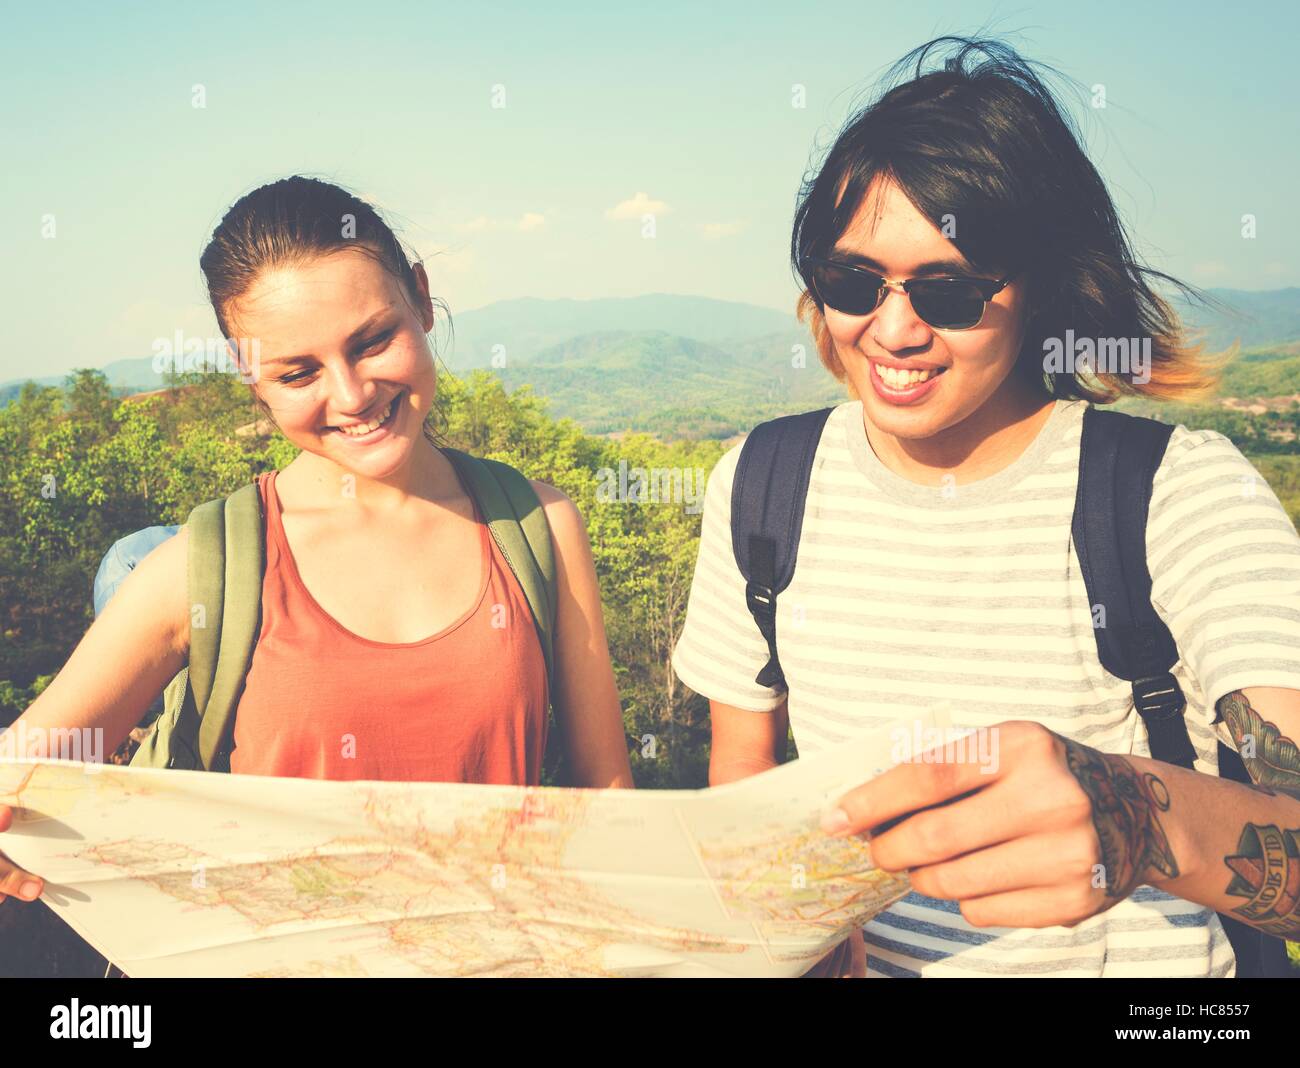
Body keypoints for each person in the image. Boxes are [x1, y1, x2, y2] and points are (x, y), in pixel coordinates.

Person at [671, 36, 1300, 977]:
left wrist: (1135, 816)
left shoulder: (1173, 494)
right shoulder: (764, 484)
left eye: (951, 291)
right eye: (853, 281)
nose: (891, 330)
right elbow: (745, 772)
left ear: (1041, 285)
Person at [1, 177, 635, 925]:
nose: (351, 393)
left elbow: (606, 803)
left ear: (422, 300)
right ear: (251, 380)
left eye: (373, 341)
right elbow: (25, 774)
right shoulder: (207, 566)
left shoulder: (537, 524)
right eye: (297, 372)